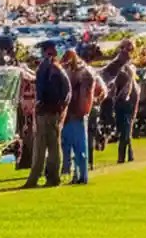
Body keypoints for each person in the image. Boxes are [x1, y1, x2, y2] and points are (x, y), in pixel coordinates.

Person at [23, 42, 70, 188]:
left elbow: (41, 90)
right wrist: (61, 108)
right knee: (54, 146)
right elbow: (67, 93)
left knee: (41, 147)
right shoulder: (59, 69)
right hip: (54, 111)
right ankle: (53, 177)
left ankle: (35, 178)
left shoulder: (46, 68)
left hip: (45, 112)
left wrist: (40, 104)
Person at [60, 50, 97, 184]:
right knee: (77, 147)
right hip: (77, 114)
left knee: (77, 147)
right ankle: (79, 175)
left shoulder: (79, 73)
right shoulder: (86, 72)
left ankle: (80, 175)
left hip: (74, 114)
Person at [102, 39, 138, 163]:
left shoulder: (130, 66)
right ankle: (123, 156)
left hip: (129, 101)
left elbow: (133, 87)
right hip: (120, 102)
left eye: (130, 49)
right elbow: (107, 77)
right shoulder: (117, 65)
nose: (128, 52)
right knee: (124, 129)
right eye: (126, 49)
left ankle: (128, 154)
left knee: (127, 128)